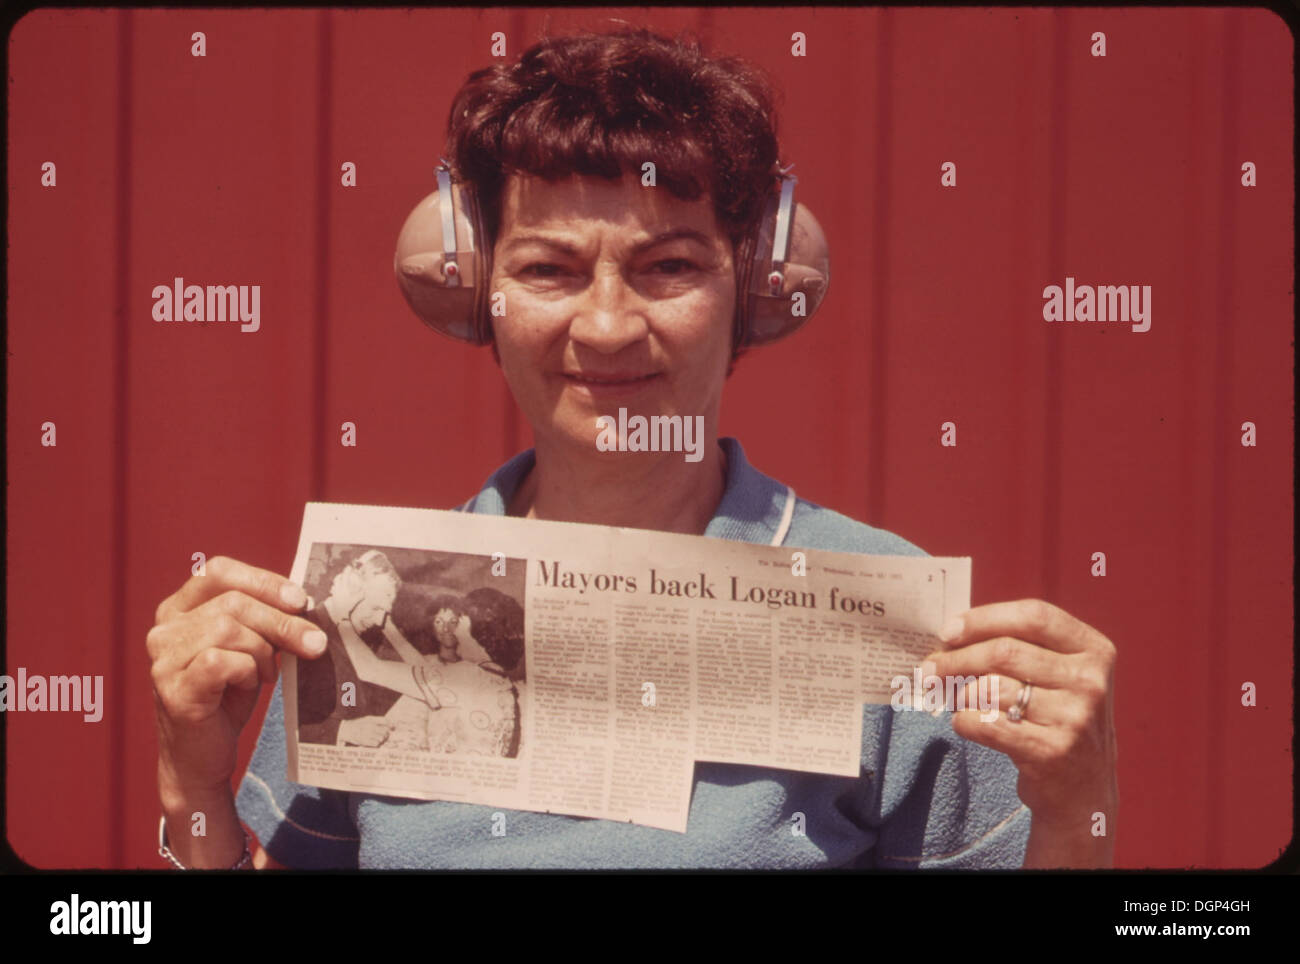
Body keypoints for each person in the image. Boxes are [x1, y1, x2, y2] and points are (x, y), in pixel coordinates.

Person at [147, 25, 1117, 870]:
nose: (606, 326)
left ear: (758, 283)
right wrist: (191, 779)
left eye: (668, 266)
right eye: (547, 268)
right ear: (472, 287)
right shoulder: (376, 591)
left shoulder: (888, 621)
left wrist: (1075, 824)